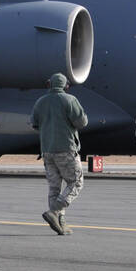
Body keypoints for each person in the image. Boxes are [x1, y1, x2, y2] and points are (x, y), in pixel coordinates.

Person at [29, 72, 88, 235]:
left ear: (49, 84)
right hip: (66, 149)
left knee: (54, 187)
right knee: (76, 182)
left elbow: (34, 124)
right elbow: (81, 122)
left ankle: (61, 224)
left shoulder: (40, 102)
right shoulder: (70, 100)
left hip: (47, 150)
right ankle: (54, 212)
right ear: (66, 86)